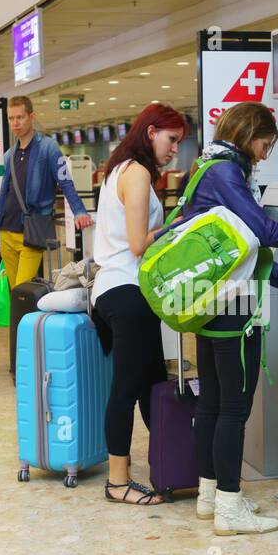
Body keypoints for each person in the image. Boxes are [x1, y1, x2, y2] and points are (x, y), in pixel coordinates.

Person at [175, 102, 278, 534]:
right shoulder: (227, 173)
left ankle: (212, 496)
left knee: (211, 403)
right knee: (234, 409)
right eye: (266, 143)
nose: (265, 154)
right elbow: (265, 235)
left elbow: (247, 247)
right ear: (249, 133)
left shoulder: (205, 167)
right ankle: (230, 508)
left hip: (208, 301)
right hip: (235, 306)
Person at [90, 105, 188, 505]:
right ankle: (117, 481)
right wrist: (180, 224)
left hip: (124, 290)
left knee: (151, 382)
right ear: (151, 132)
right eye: (171, 140)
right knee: (128, 386)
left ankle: (171, 464)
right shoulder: (138, 173)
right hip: (126, 291)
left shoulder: (120, 168)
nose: (174, 150)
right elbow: (137, 244)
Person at [0, 96, 92, 292]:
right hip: (6, 231)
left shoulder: (48, 148)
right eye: (11, 118)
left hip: (31, 230)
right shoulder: (9, 155)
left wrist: (79, 210)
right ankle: (20, 324)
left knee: (22, 289)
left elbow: (65, 181)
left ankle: (24, 322)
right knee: (15, 294)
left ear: (32, 116)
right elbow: (5, 194)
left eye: (20, 117)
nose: (15, 123)